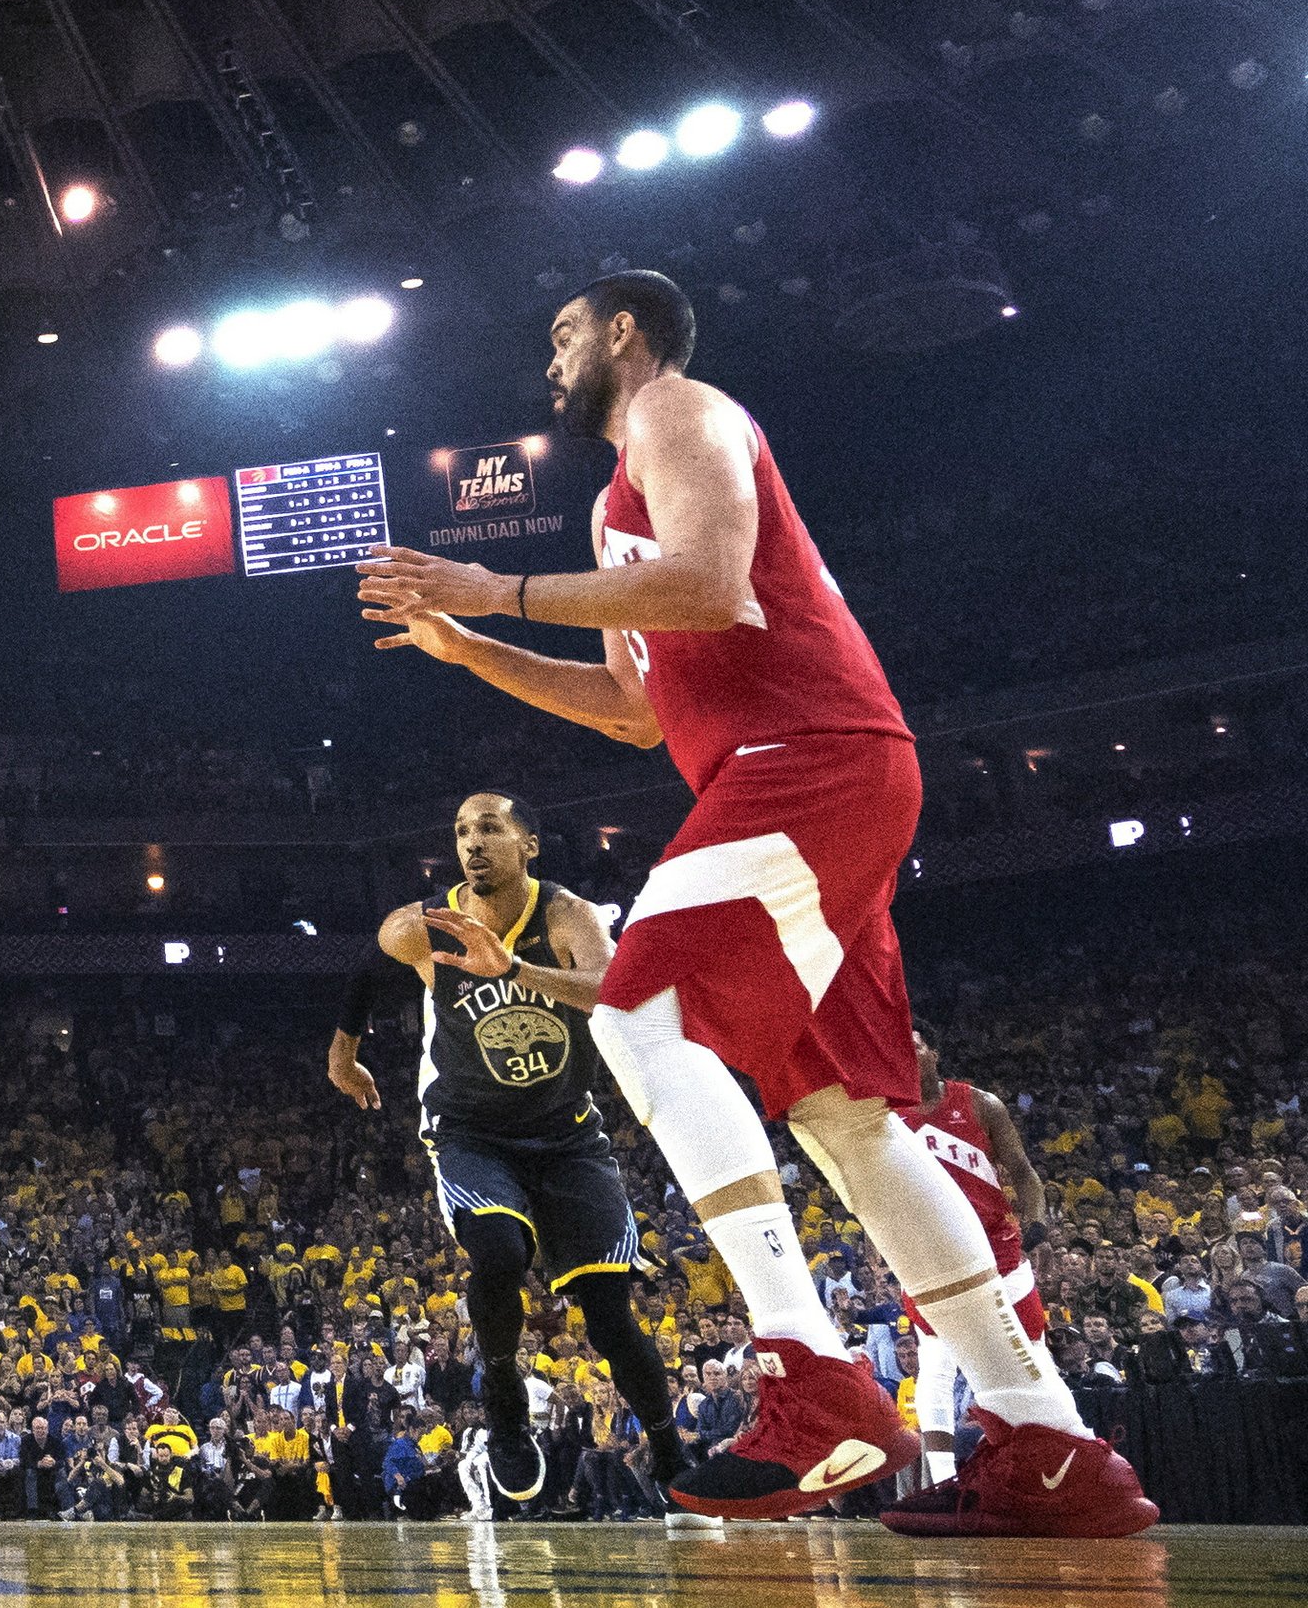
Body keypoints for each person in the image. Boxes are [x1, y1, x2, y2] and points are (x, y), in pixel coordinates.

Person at [359, 270, 1153, 1536]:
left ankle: (807, 1372)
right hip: (800, 767)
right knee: (850, 1118)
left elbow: (715, 586)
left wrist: (489, 587)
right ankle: (1049, 1435)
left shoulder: (673, 409)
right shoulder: (617, 502)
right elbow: (635, 709)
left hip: (810, 755)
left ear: (624, 333)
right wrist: (477, 648)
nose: (549, 360)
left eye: (562, 333)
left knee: (638, 1006)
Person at [330, 790, 683, 1512]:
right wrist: (344, 1055)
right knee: (497, 1251)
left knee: (609, 1311)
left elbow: (614, 990)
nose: (472, 842)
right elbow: (366, 971)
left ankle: (675, 1456)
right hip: (470, 1130)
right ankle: (502, 1401)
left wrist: (513, 971)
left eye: (490, 827)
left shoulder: (565, 914)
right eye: (461, 830)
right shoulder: (428, 926)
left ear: (529, 845)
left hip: (567, 1135)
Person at [891, 1026, 1053, 1487]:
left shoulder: (981, 1103)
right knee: (938, 1363)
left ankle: (1043, 1460)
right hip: (927, 1254)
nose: (906, 1053)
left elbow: (1024, 1174)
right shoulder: (883, 1118)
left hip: (997, 1245)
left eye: (915, 1045)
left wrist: (1037, 1226)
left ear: (934, 1054)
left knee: (1032, 1354)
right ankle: (943, 1482)